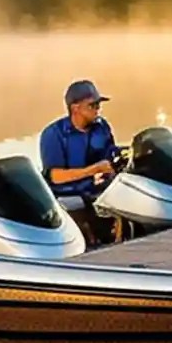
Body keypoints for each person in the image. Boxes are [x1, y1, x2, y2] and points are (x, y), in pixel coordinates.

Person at [39, 79, 124, 243]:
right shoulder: (53, 134)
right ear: (75, 108)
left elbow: (110, 154)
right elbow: (55, 176)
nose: (97, 110)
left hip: (99, 191)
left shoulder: (102, 127)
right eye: (92, 105)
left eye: (99, 105)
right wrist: (93, 170)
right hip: (68, 195)